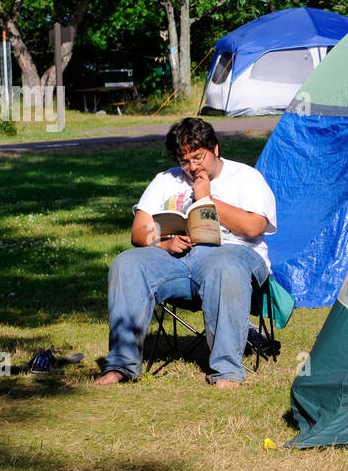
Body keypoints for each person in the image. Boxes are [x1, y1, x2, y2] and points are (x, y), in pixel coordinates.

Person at [95, 117, 277, 388]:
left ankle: (226, 370)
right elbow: (138, 232)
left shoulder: (246, 177)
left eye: (198, 158)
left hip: (233, 254)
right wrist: (163, 242)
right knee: (127, 263)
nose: (192, 167)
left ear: (215, 148)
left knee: (225, 266)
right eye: (185, 161)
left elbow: (254, 227)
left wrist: (206, 199)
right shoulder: (165, 180)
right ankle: (121, 364)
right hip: (175, 258)